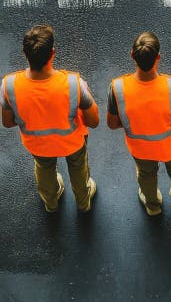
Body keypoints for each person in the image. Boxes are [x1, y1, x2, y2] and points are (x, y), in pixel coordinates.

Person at [1, 25, 99, 213]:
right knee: (78, 168)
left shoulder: (9, 85)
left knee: (44, 168)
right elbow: (93, 121)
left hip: (37, 144)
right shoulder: (73, 83)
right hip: (72, 143)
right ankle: (83, 201)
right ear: (52, 53)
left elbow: (8, 122)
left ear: (24, 53)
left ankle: (51, 202)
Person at [107, 32, 171, 217]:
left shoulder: (117, 88)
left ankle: (153, 206)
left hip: (141, 149)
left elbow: (112, 123)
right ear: (158, 57)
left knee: (146, 176)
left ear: (132, 55)